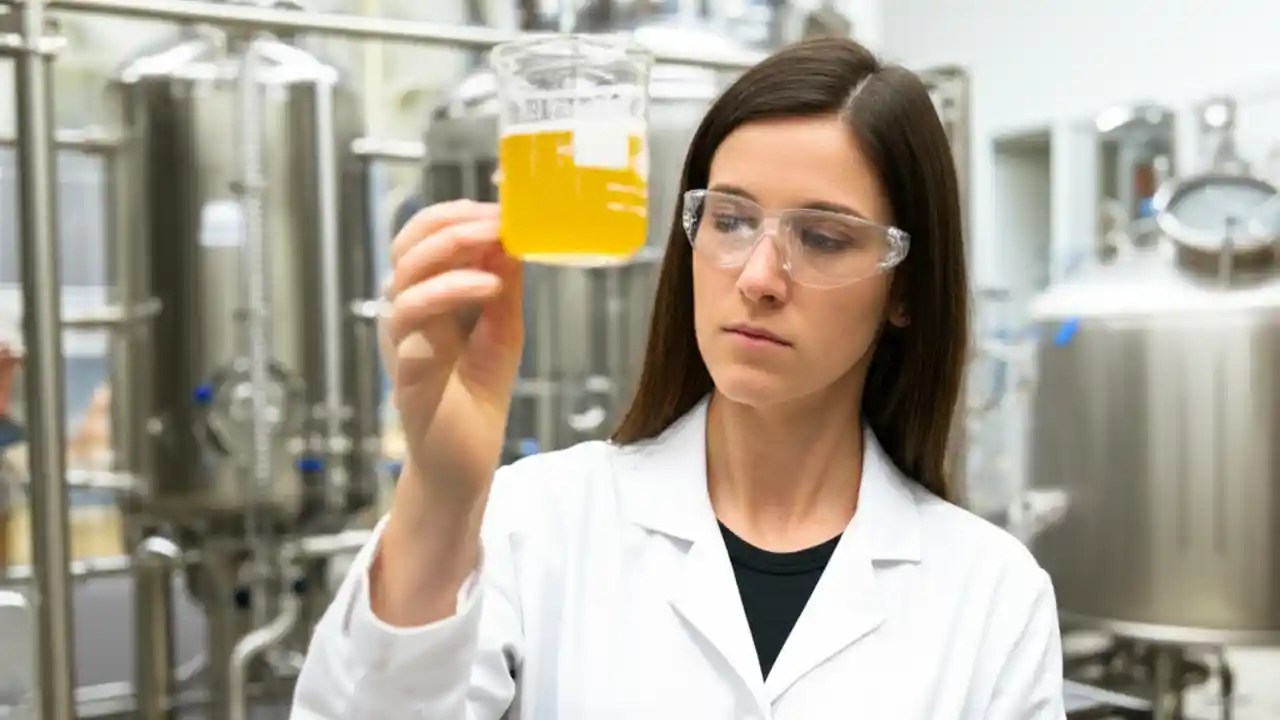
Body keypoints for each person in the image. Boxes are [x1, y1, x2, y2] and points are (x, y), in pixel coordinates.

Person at [291, 37, 1066, 719]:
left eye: (823, 237)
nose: (759, 276)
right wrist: (439, 493)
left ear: (903, 288)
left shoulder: (991, 594)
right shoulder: (535, 525)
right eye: (729, 221)